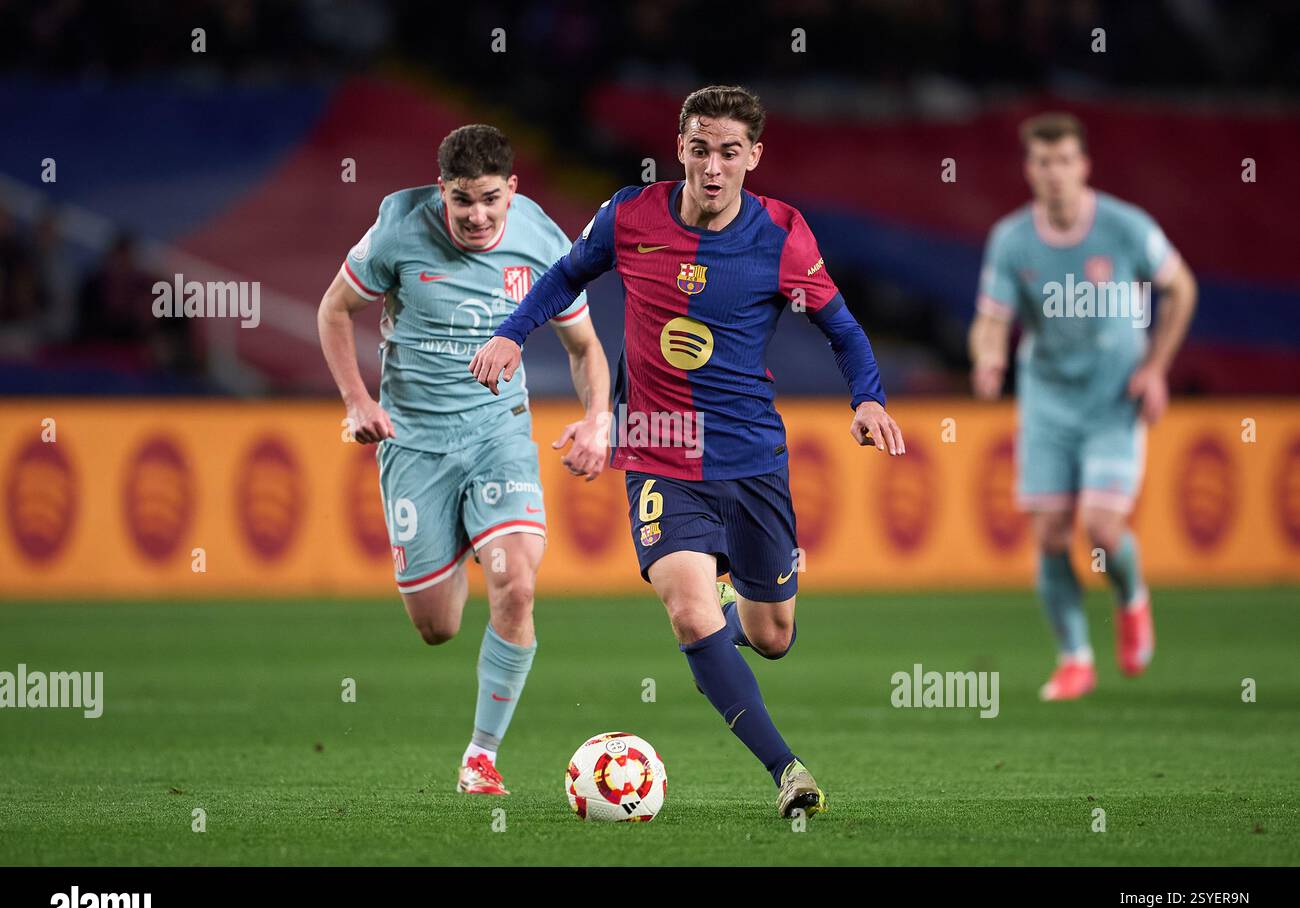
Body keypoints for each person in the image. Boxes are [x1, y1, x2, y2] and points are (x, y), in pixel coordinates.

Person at [471, 86, 904, 817]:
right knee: (688, 614)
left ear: (753, 157)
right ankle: (788, 772)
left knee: (773, 636)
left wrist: (866, 398)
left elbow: (845, 329)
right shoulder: (629, 215)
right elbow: (565, 276)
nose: (712, 166)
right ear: (680, 147)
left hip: (752, 458)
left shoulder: (781, 234)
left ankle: (736, 608)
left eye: (729, 152)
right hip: (659, 452)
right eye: (700, 148)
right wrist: (513, 333)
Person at [317, 124, 610, 794]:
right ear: (440, 191)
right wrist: (358, 401)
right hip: (415, 444)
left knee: (516, 582)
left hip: (497, 434)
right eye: (461, 201)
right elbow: (334, 312)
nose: (477, 216)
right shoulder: (396, 228)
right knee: (438, 627)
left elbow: (585, 347)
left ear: (513, 189)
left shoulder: (541, 240)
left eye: (489, 200)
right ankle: (466, 544)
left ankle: (480, 756)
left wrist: (598, 420)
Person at [968, 112, 1197, 700]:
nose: (1055, 174)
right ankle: (1075, 658)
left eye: (1065, 160)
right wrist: (989, 359)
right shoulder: (1012, 239)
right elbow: (991, 320)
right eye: (1043, 162)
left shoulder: (1125, 227)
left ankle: (1132, 596)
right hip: (1048, 401)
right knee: (1048, 535)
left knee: (1100, 527)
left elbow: (1181, 287)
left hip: (1113, 398)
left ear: (1084, 166)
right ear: (1029, 170)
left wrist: (1156, 367)